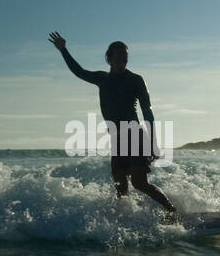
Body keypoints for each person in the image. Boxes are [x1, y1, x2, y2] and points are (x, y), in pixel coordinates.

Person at [49, 32, 177, 219]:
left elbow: (147, 111)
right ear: (108, 59)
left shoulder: (135, 80)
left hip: (135, 136)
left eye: (125, 58)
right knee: (120, 187)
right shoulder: (103, 79)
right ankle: (125, 223)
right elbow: (79, 71)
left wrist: (153, 141)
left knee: (139, 183)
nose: (122, 61)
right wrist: (63, 50)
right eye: (118, 58)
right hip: (117, 139)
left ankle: (172, 211)